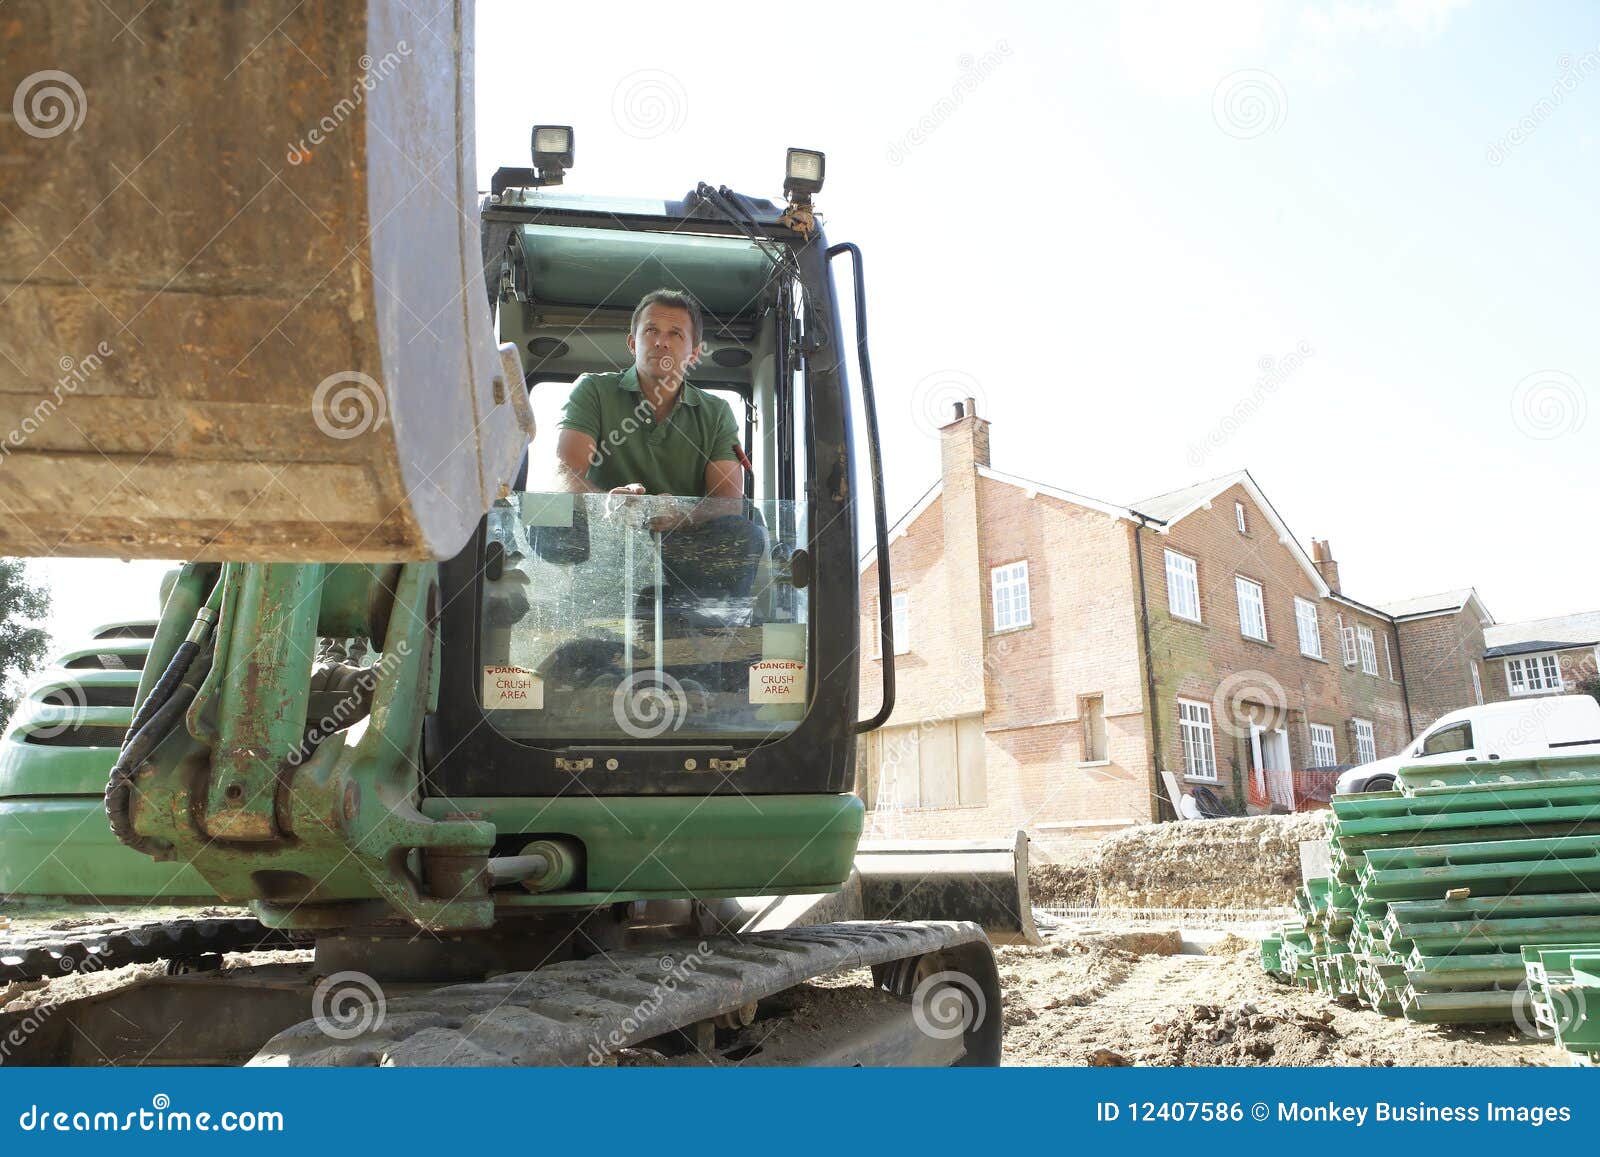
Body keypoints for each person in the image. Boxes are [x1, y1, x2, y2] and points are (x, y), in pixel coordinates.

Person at [554, 288, 763, 604]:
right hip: (604, 544)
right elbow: (563, 471)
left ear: (693, 354)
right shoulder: (593, 390)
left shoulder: (716, 412)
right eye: (651, 330)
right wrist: (605, 504)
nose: (661, 341)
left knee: (742, 532)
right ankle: (568, 604)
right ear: (631, 342)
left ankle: (712, 624)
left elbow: (728, 502)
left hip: (684, 555)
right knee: (547, 515)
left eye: (676, 334)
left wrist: (681, 515)